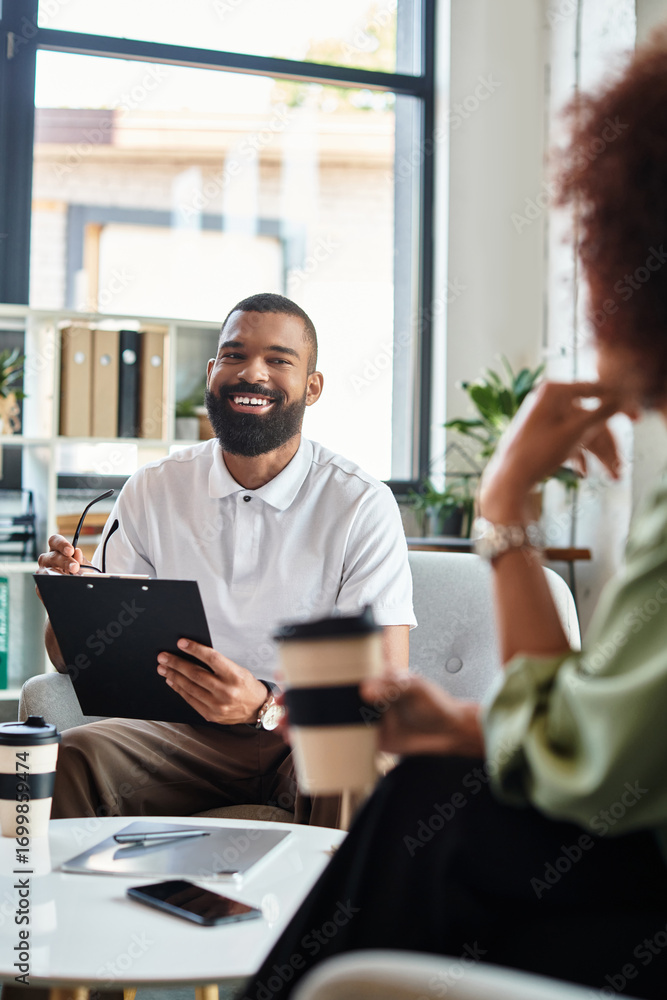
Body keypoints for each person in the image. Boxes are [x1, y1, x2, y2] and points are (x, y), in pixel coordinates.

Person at [238, 29, 667, 1000]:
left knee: (432, 809)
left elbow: (598, 768)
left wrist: (504, 506)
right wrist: (483, 724)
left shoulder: (351, 494)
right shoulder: (160, 488)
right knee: (447, 802)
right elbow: (603, 742)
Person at [39, 292, 415, 827]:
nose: (252, 373)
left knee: (357, 765)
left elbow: (384, 684)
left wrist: (264, 706)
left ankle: (334, 915)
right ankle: (54, 912)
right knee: (66, 759)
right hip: (181, 734)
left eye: (279, 360)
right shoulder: (153, 488)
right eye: (235, 356)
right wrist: (70, 603)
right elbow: (67, 660)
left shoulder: (359, 503)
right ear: (214, 370)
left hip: (304, 734)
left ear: (313, 387)